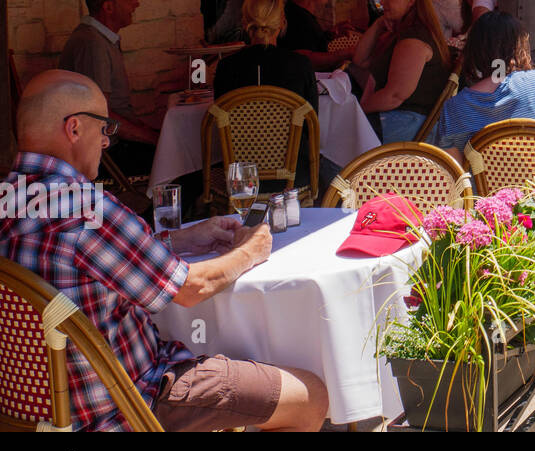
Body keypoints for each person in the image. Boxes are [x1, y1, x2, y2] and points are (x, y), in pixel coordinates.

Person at [0, 70, 329, 431]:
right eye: (104, 128)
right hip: (131, 403)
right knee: (310, 394)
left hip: (40, 414)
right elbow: (192, 289)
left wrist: (179, 240)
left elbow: (78, 260)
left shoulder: (10, 200)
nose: (106, 142)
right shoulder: (88, 209)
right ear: (74, 128)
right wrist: (250, 249)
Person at [433, 12, 535, 160]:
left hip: (483, 183)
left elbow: (456, 170)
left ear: (473, 50)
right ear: (519, 47)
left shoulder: (453, 108)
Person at [214, 0, 319, 191]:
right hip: (292, 179)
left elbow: (221, 127)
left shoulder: (226, 68)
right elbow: (311, 125)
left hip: (240, 179)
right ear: (282, 23)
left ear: (245, 23)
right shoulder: (301, 66)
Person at [57, 0, 158, 178]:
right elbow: (98, 115)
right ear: (108, 7)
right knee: (186, 159)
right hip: (107, 155)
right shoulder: (92, 44)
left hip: (114, 146)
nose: (136, 3)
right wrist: (152, 138)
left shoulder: (100, 39)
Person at [353, 0, 452, 142]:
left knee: (334, 136)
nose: (382, 2)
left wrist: (357, 110)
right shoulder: (402, 32)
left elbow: (394, 96)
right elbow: (360, 60)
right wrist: (378, 24)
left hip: (408, 123)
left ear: (411, 0)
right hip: (400, 118)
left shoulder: (414, 39)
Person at [282, 0, 354, 70]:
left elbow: (309, 44)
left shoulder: (294, 12)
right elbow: (305, 60)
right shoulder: (298, 20)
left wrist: (328, 35)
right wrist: (346, 53)